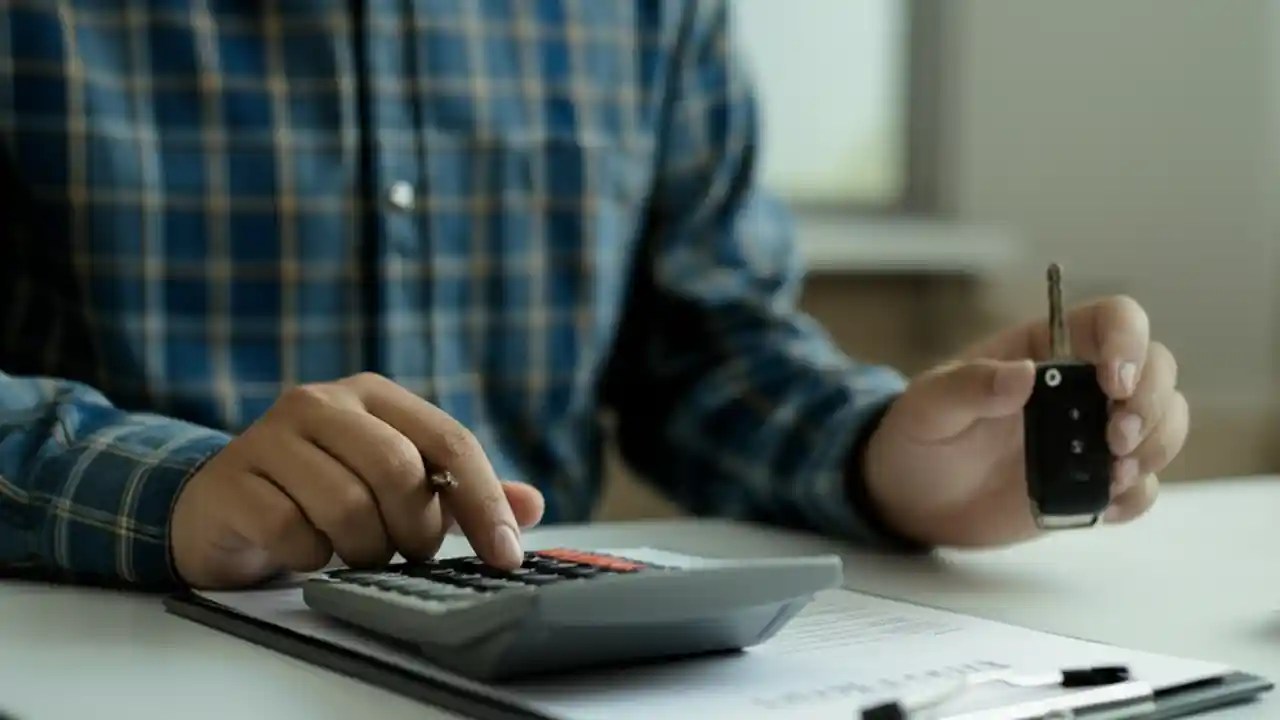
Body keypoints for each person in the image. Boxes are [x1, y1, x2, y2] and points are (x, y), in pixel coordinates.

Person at [0, 2, 1185, 591]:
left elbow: (702, 342)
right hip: (114, 645)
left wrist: (876, 459)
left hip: (544, 665)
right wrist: (168, 489)